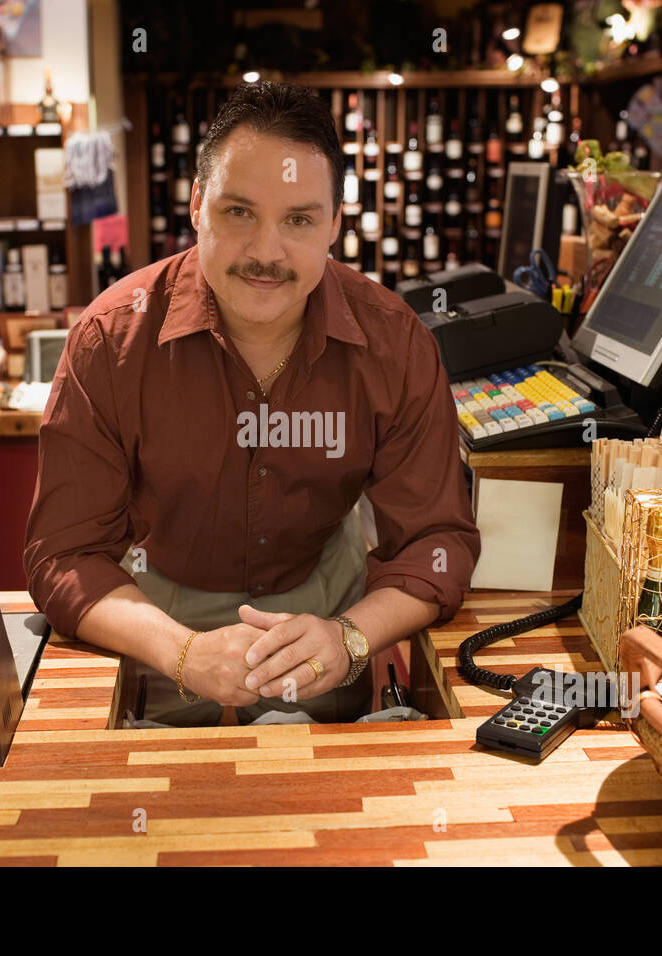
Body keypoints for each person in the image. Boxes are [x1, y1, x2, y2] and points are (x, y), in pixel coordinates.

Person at [25, 81, 479, 726]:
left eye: (299, 220)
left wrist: (348, 638)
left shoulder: (395, 341)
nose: (267, 252)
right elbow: (64, 554)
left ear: (334, 226)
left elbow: (437, 542)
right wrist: (180, 651)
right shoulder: (110, 339)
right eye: (239, 212)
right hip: (155, 615)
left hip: (327, 614)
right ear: (196, 206)